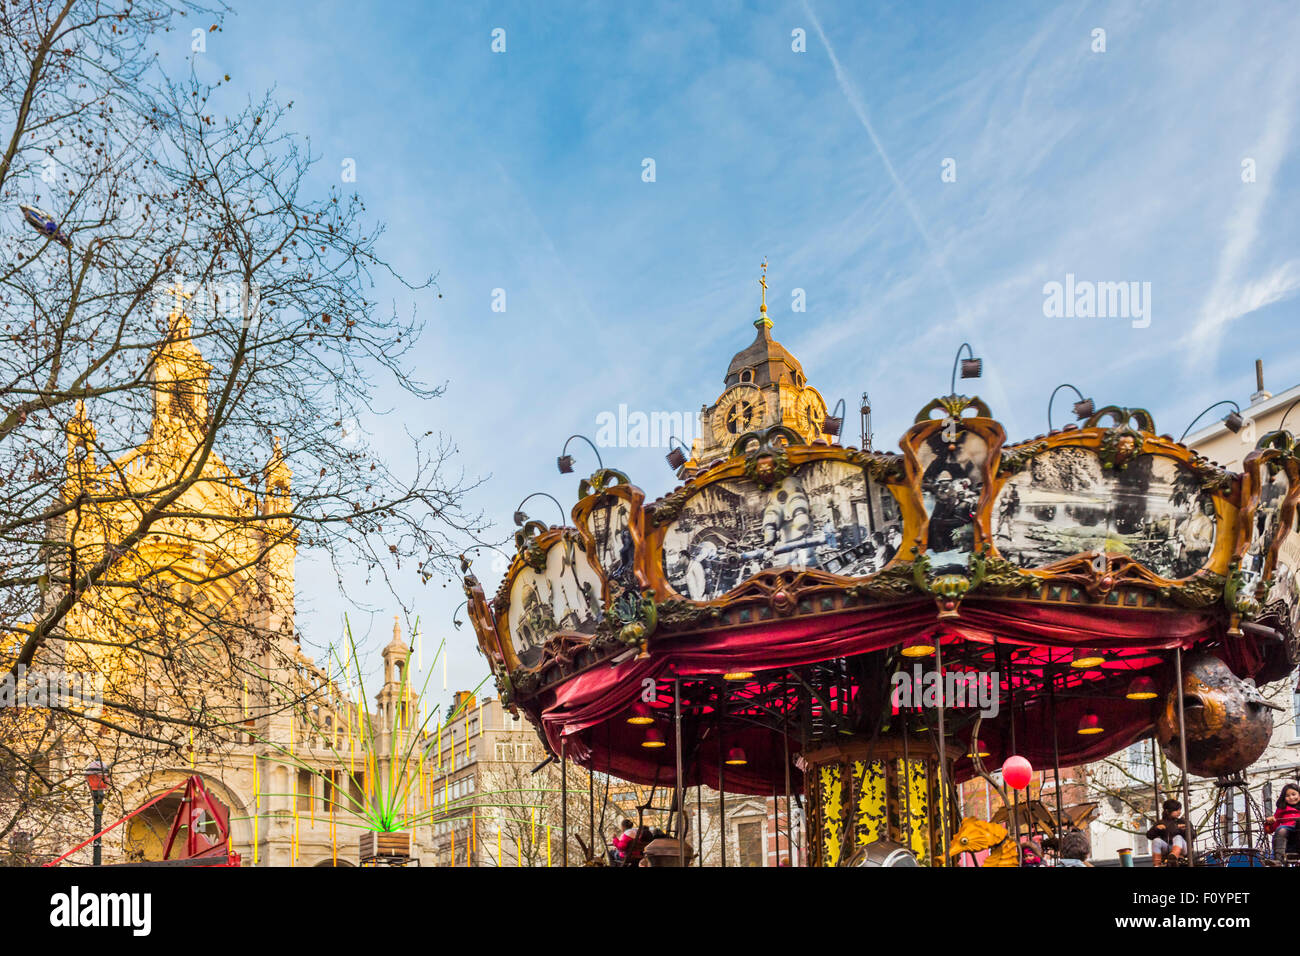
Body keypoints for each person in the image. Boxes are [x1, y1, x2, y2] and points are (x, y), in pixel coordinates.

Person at [1146, 799, 1189, 866]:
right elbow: (1149, 835)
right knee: (1156, 841)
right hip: (1168, 847)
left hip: (1183, 848)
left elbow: (1193, 834)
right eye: (1176, 810)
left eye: (1180, 810)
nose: (1179, 812)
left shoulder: (1182, 821)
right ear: (1167, 811)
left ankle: (1174, 857)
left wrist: (1184, 830)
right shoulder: (1161, 822)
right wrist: (1156, 829)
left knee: (1178, 837)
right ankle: (1157, 864)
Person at [1267, 782, 1300, 861]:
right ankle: (1278, 859)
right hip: (1288, 834)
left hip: (1298, 836)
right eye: (1287, 796)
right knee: (1281, 829)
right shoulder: (1282, 809)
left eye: (1293, 794)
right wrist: (1270, 822)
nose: (1291, 797)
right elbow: (1272, 829)